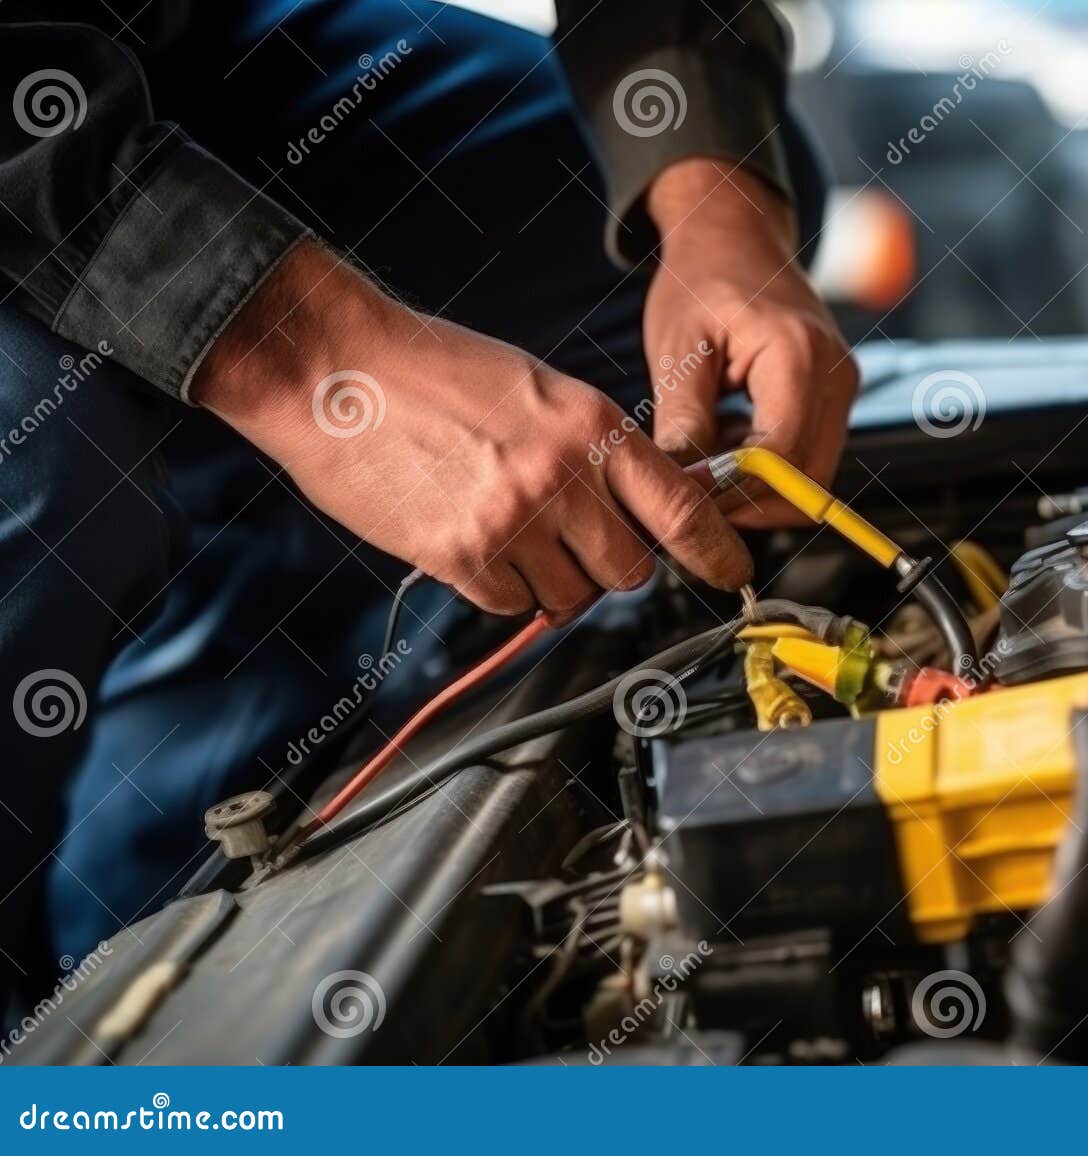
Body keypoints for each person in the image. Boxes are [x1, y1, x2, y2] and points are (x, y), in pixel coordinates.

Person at [0, 0, 857, 1016]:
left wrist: (716, 203)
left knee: (652, 178)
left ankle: (205, 808)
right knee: (48, 455)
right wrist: (312, 360)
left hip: (159, 58)